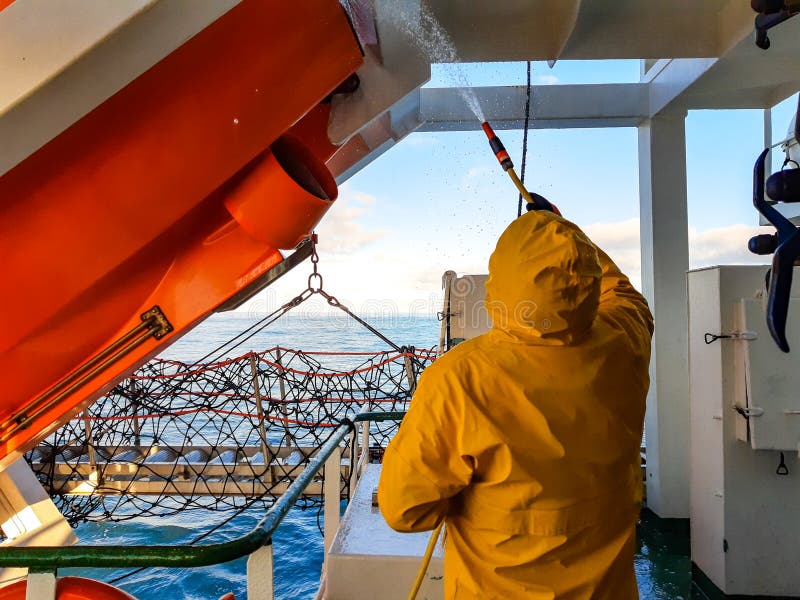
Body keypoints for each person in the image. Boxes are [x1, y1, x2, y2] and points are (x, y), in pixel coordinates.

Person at [378, 208, 653, 599]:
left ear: (500, 281)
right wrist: (567, 236)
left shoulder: (460, 378)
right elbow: (624, 294)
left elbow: (404, 510)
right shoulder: (626, 340)